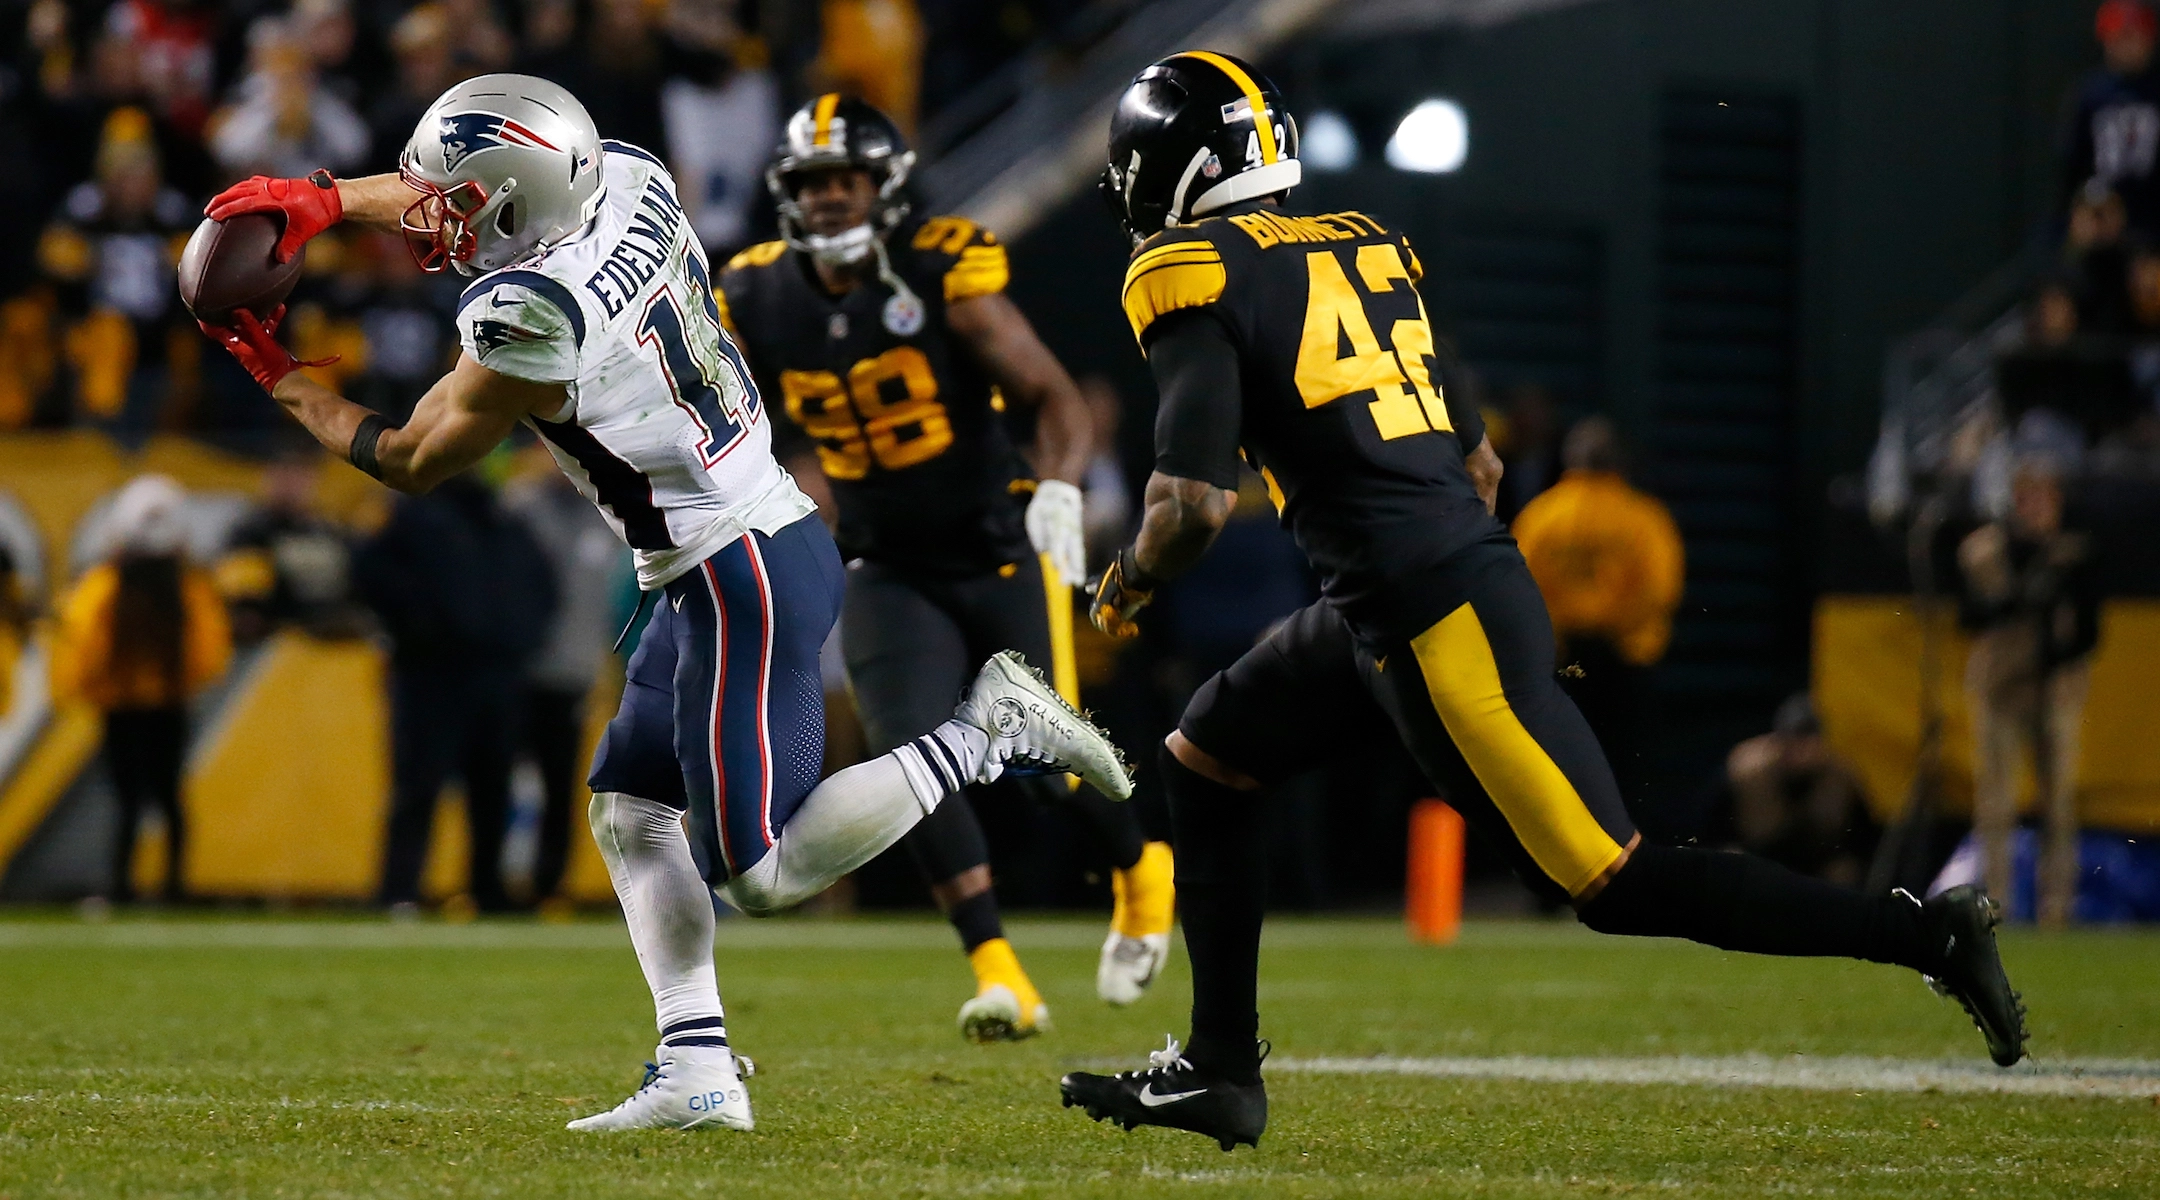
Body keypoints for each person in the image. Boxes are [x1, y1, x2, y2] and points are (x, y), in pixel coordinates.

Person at [1056, 52, 2027, 1152]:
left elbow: (1185, 501)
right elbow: (1481, 470)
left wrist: (1126, 582)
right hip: (1414, 592)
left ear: (1179, 169)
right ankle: (1221, 1071)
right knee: (1207, 757)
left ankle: (1925, 936)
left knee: (1613, 880)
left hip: (1430, 612)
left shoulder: (1187, 270)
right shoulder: (1366, 243)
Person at [197, 72, 1130, 1132]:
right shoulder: (629, 173)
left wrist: (275, 374)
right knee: (631, 813)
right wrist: (321, 195)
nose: (425, 213)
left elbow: (410, 456)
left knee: (763, 874)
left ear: (515, 203)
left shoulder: (527, 311)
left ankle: (985, 729)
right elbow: (485, 183)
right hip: (723, 545)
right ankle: (696, 1067)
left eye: (449, 202)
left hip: (737, 572)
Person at [718, 94, 1174, 1039]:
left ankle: (1140, 867)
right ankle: (999, 969)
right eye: (811, 183)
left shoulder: (941, 266)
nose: (830, 199)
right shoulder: (757, 291)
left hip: (997, 547)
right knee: (910, 761)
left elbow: (1052, 395)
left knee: (1049, 764)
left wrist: (1057, 485)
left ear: (883, 186)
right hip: (886, 558)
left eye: (845, 180)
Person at [354, 468, 556, 915]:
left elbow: (543, 587)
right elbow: (369, 571)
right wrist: (421, 627)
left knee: (491, 790)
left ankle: (486, 890)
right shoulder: (418, 515)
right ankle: (400, 890)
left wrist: (519, 641)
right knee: (419, 787)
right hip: (432, 675)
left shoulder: (504, 521)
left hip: (494, 674)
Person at [50, 475, 230, 903]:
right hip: (154, 703)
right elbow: (208, 654)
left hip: (133, 703)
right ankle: (163, 885)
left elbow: (78, 646)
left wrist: (99, 687)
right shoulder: (179, 586)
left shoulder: (111, 585)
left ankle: (131, 885)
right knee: (158, 796)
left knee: (137, 797)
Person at [1511, 415, 1684, 803]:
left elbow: (1520, 590)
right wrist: (1618, 629)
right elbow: (1659, 591)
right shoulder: (1643, 518)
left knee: (1563, 771)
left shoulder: (1540, 517)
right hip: (1627, 661)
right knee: (1626, 769)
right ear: (1620, 462)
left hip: (1565, 663)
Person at [1958, 456, 2100, 928]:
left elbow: (2089, 629)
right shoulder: (1987, 551)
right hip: (2001, 685)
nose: (2034, 508)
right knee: (1995, 804)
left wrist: (2058, 657)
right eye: (2025, 498)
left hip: (2056, 686)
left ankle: (2055, 911)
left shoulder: (2073, 553)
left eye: (2043, 498)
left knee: (2058, 804)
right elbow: (1972, 616)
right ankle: (1995, 906)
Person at [503, 453, 632, 906]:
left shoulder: (606, 516)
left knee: (561, 789)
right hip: (516, 670)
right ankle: (496, 886)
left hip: (573, 673)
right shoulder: (518, 508)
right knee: (502, 783)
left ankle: (548, 886)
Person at [1723, 694, 1876, 887]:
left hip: (1816, 868)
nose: (1800, 750)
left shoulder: (1841, 775)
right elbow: (1711, 830)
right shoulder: (1747, 770)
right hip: (1759, 859)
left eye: (1808, 740)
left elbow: (1865, 837)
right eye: (1792, 739)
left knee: (1845, 870)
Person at [2062, 0, 2160, 240]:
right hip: (2103, 222)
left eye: (2132, 36)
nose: (2124, 45)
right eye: (2117, 36)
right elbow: (2073, 161)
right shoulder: (2091, 94)